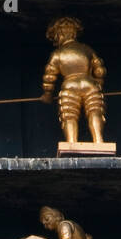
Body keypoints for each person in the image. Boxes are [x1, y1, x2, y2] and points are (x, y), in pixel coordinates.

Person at [41, 16, 108, 145]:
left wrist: (47, 95)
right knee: (95, 111)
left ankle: (72, 143)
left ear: (58, 34)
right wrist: (98, 86)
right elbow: (99, 70)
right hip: (90, 84)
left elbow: (49, 76)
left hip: (69, 85)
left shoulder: (58, 53)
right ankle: (99, 141)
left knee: (69, 115)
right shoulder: (87, 49)